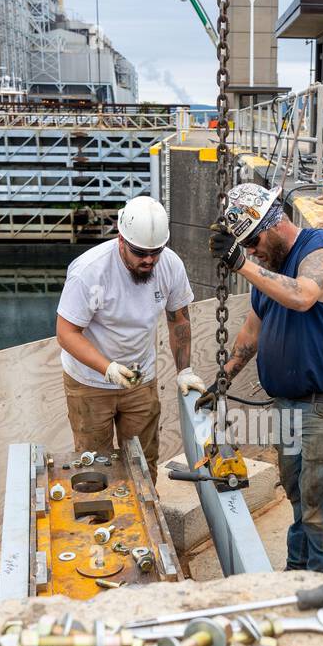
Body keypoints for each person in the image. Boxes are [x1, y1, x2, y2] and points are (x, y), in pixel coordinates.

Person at [208, 183, 323, 572]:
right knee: (297, 493)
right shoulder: (271, 271)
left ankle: (322, 583)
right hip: (289, 406)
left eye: (254, 241)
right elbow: (251, 330)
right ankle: (297, 570)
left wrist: (242, 265)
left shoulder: (321, 249)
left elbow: (303, 296)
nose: (252, 251)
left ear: (274, 225)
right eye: (245, 247)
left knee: (317, 502)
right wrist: (223, 379)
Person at [56, 195, 205, 473]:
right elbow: (66, 333)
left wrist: (184, 370)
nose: (149, 260)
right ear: (121, 240)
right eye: (140, 253)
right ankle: (101, 516)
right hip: (90, 382)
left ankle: (148, 513)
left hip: (140, 378)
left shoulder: (170, 265)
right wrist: (108, 368)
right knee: (94, 465)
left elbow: (179, 320)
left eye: (155, 252)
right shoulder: (90, 272)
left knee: (143, 463)